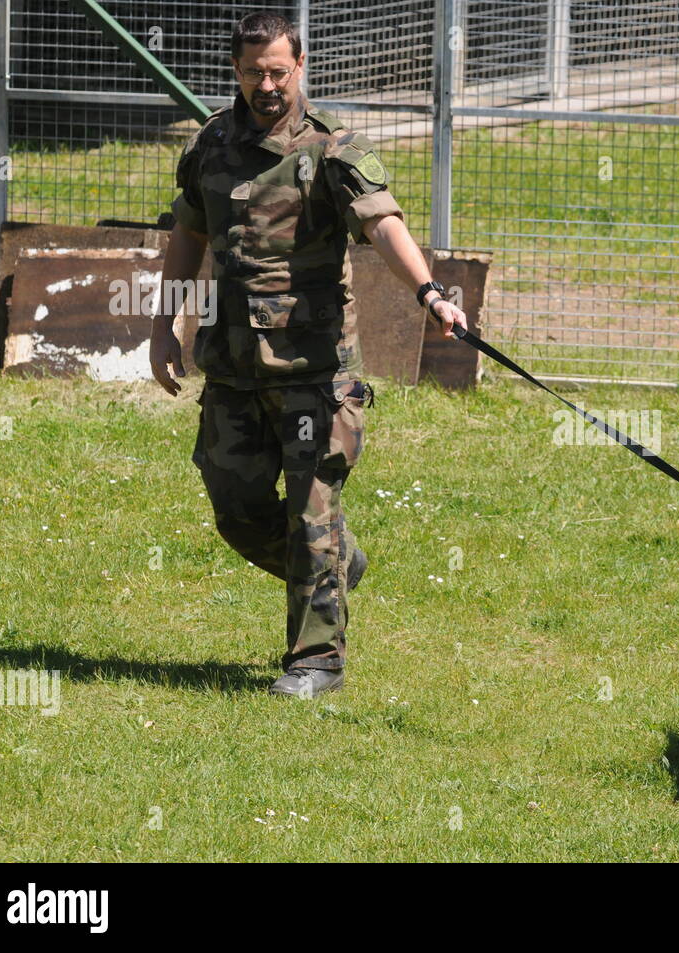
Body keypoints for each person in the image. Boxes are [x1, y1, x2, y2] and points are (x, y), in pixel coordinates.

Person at [148, 11, 467, 698]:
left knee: (310, 512)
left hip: (314, 372)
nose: (267, 84)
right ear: (235, 71)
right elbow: (187, 231)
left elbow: (383, 223)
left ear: (300, 67)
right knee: (235, 508)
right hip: (232, 365)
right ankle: (331, 565)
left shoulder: (331, 149)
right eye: (253, 71)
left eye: (278, 71)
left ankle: (316, 660)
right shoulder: (210, 145)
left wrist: (431, 293)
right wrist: (161, 322)